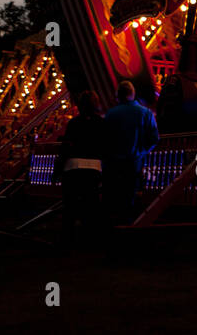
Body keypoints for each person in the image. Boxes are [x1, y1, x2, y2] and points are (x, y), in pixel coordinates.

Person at [55, 90, 108, 245]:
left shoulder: (74, 123)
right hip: (93, 167)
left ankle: (68, 237)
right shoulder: (101, 123)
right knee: (91, 204)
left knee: (70, 205)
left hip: (73, 166)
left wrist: (58, 169)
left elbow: (67, 146)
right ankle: (90, 238)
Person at [102, 80, 159, 224]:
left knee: (114, 196)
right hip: (134, 162)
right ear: (133, 94)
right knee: (130, 196)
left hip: (113, 163)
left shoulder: (110, 114)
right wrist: (142, 151)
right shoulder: (145, 113)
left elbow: (104, 138)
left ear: (118, 95)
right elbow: (154, 138)